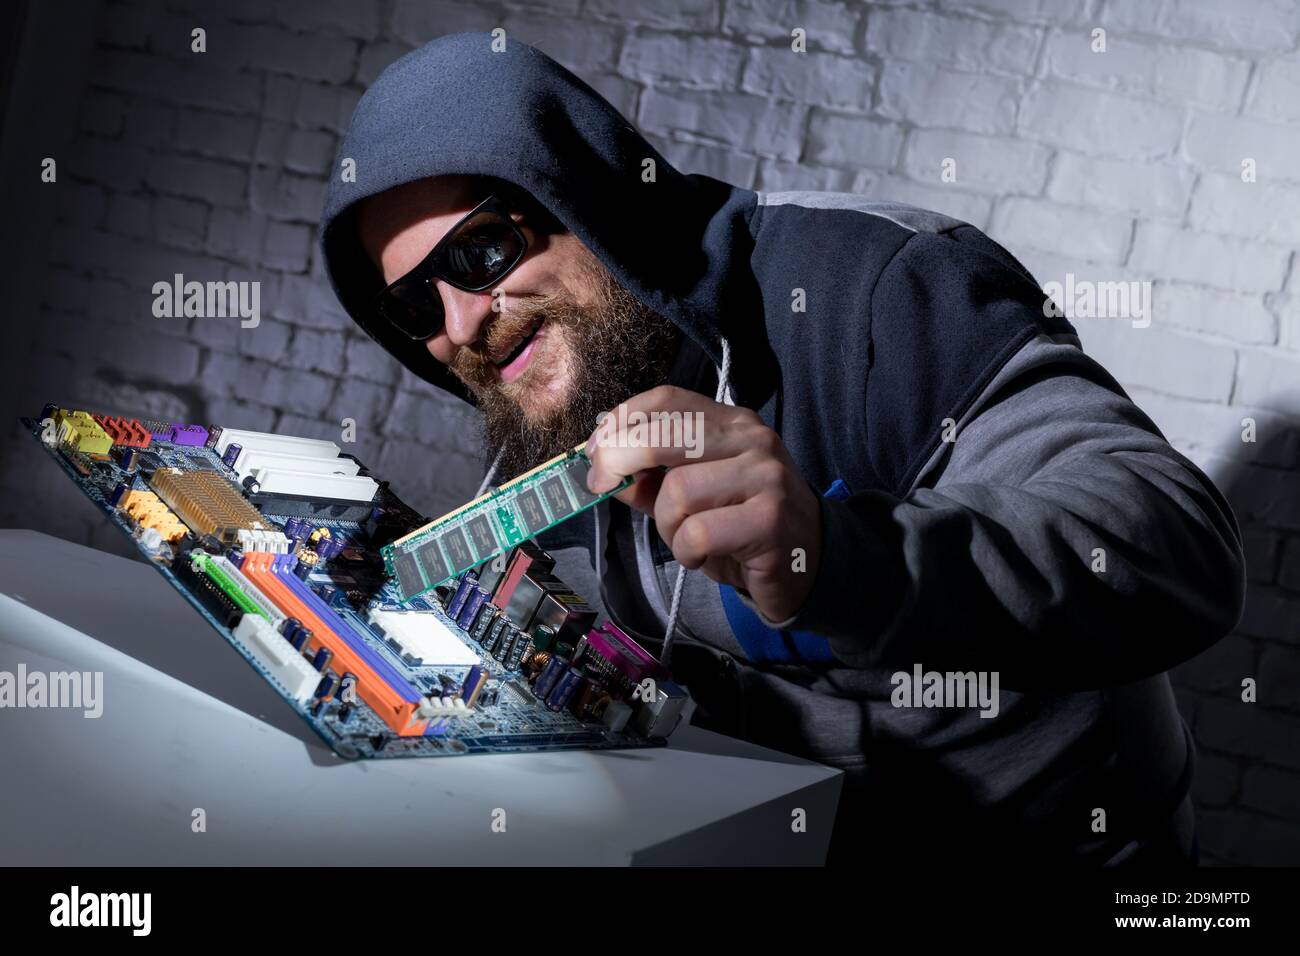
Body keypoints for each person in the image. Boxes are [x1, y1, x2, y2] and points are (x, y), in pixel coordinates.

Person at [320, 33, 1244, 864]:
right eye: (413, 308)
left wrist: (844, 557)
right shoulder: (551, 375)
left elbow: (1177, 544)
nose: (460, 324)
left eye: (480, 252)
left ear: (583, 191)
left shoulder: (880, 286)